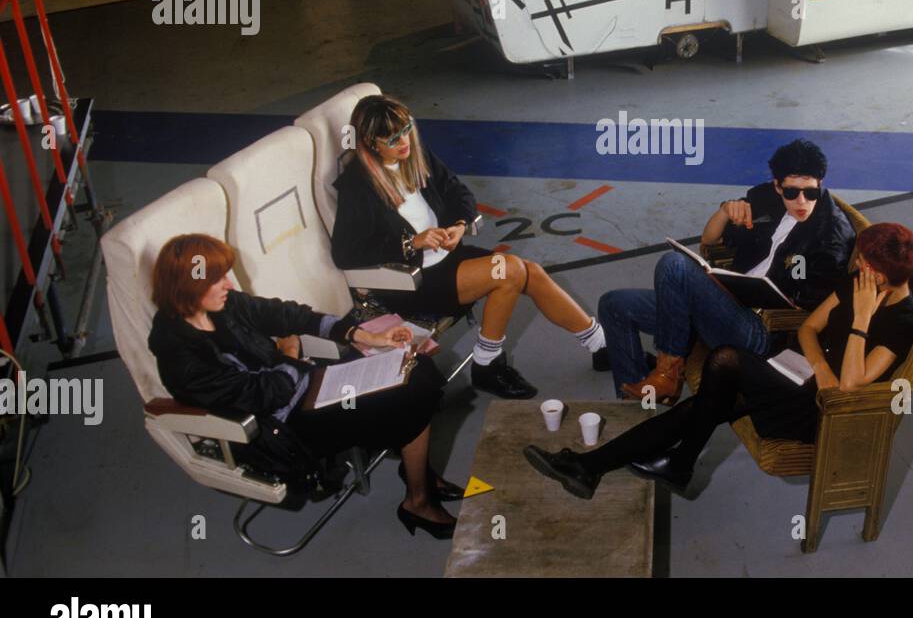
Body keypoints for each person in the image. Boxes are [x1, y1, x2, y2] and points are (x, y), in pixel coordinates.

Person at [525, 223, 913, 498]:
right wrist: (819, 365)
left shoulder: (903, 321)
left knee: (725, 361)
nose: (855, 267)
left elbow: (851, 386)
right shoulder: (857, 283)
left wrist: (861, 319)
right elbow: (807, 330)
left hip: (818, 408)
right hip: (796, 370)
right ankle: (591, 466)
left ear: (879, 275)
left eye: (863, 265)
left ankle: (673, 462)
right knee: (702, 406)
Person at [148, 234, 462, 539]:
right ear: (189, 287)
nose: (230, 284)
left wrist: (366, 336)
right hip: (284, 426)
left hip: (307, 386)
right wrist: (290, 355)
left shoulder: (224, 305)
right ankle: (417, 501)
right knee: (407, 394)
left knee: (415, 368)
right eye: (218, 280)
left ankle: (418, 474)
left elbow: (288, 315)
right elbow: (261, 394)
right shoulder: (179, 354)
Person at [329, 94, 605, 400]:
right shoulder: (357, 186)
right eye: (393, 138)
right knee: (509, 270)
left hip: (448, 260)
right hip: (415, 283)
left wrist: (459, 225)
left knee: (532, 272)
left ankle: (601, 346)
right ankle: (486, 364)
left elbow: (457, 191)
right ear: (371, 142)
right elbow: (345, 251)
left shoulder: (414, 155)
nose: (405, 141)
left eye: (407, 128)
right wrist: (411, 242)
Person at [596, 139, 854, 404]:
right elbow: (709, 241)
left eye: (810, 193)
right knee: (614, 305)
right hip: (723, 304)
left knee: (674, 265)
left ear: (820, 184)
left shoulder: (830, 237)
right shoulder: (766, 198)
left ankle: (667, 375)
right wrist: (724, 211)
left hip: (759, 329)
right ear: (778, 186)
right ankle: (636, 408)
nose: (802, 201)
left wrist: (761, 291)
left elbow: (811, 309)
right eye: (791, 193)